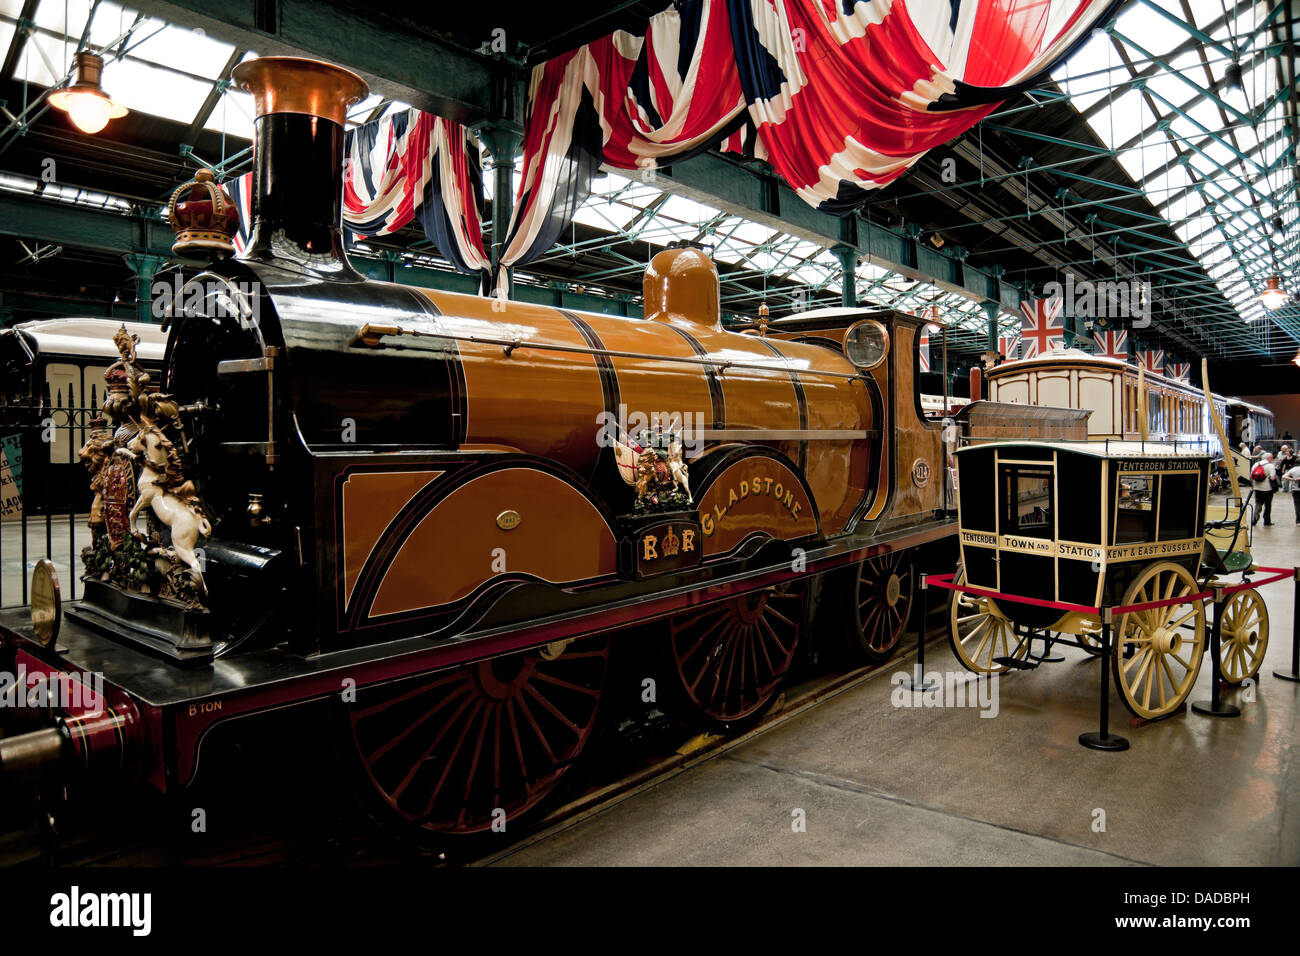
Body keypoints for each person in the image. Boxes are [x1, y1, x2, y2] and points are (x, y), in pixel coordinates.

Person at [1251, 451, 1277, 526]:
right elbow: (1272, 478)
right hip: (1267, 489)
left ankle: (1255, 518)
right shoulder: (1270, 466)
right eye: (1272, 458)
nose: (1272, 459)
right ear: (1269, 458)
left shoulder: (1256, 464)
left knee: (1258, 503)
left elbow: (1251, 476)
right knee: (1268, 505)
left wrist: (1253, 487)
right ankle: (1267, 521)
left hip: (1257, 488)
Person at [1284, 460, 1300, 526]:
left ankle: (1298, 521)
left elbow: (1284, 476)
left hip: (1295, 489)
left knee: (1297, 505)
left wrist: (1293, 479)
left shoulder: (1293, 469)